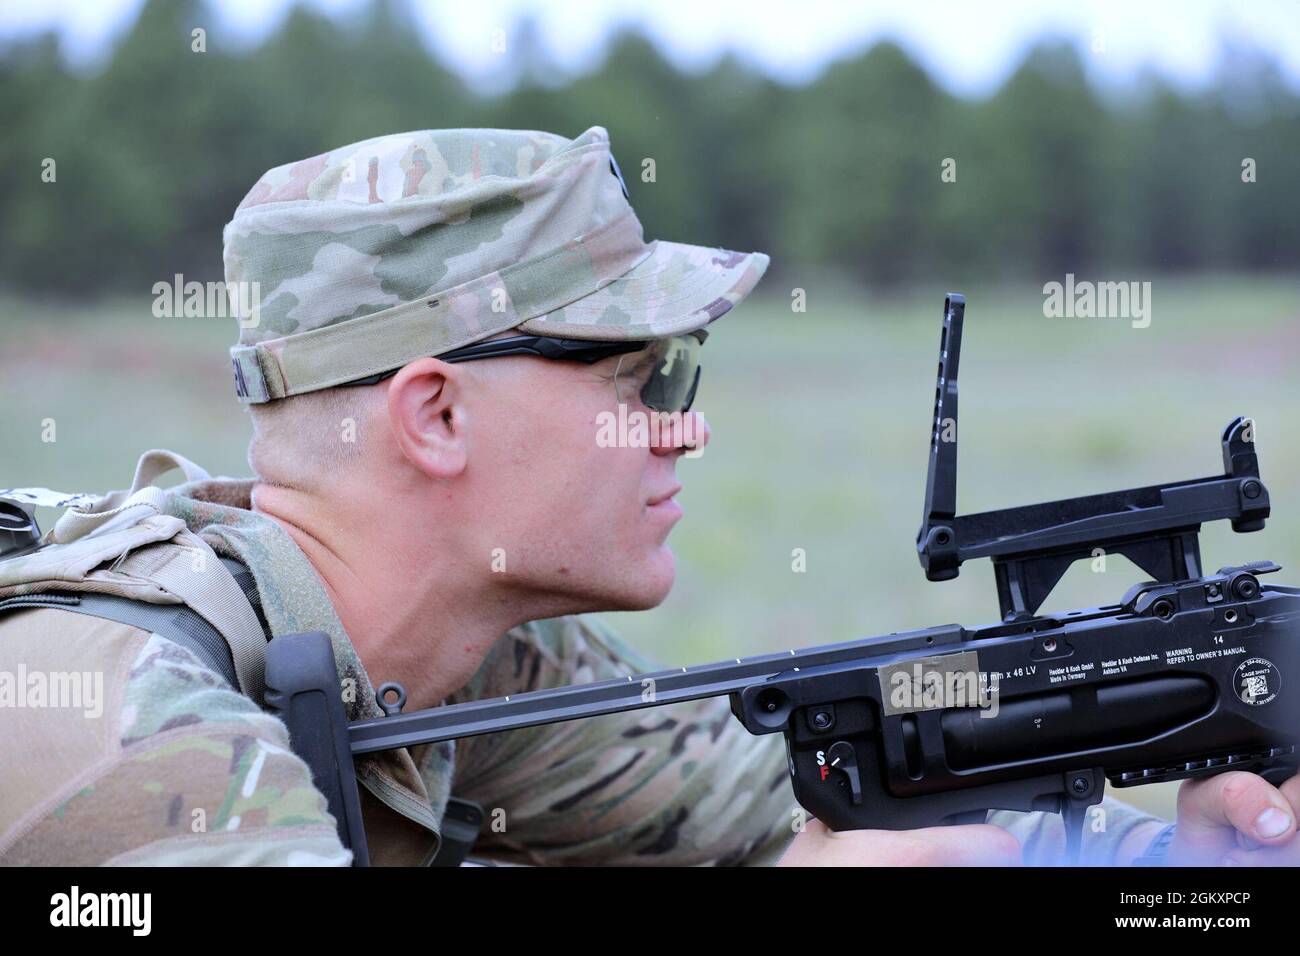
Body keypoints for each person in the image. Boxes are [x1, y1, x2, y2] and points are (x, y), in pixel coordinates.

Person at [1, 125, 1295, 866]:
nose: (688, 425)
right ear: (436, 415)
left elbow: (825, 841)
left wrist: (1211, 861)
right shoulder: (138, 735)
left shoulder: (455, 664)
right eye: (645, 374)